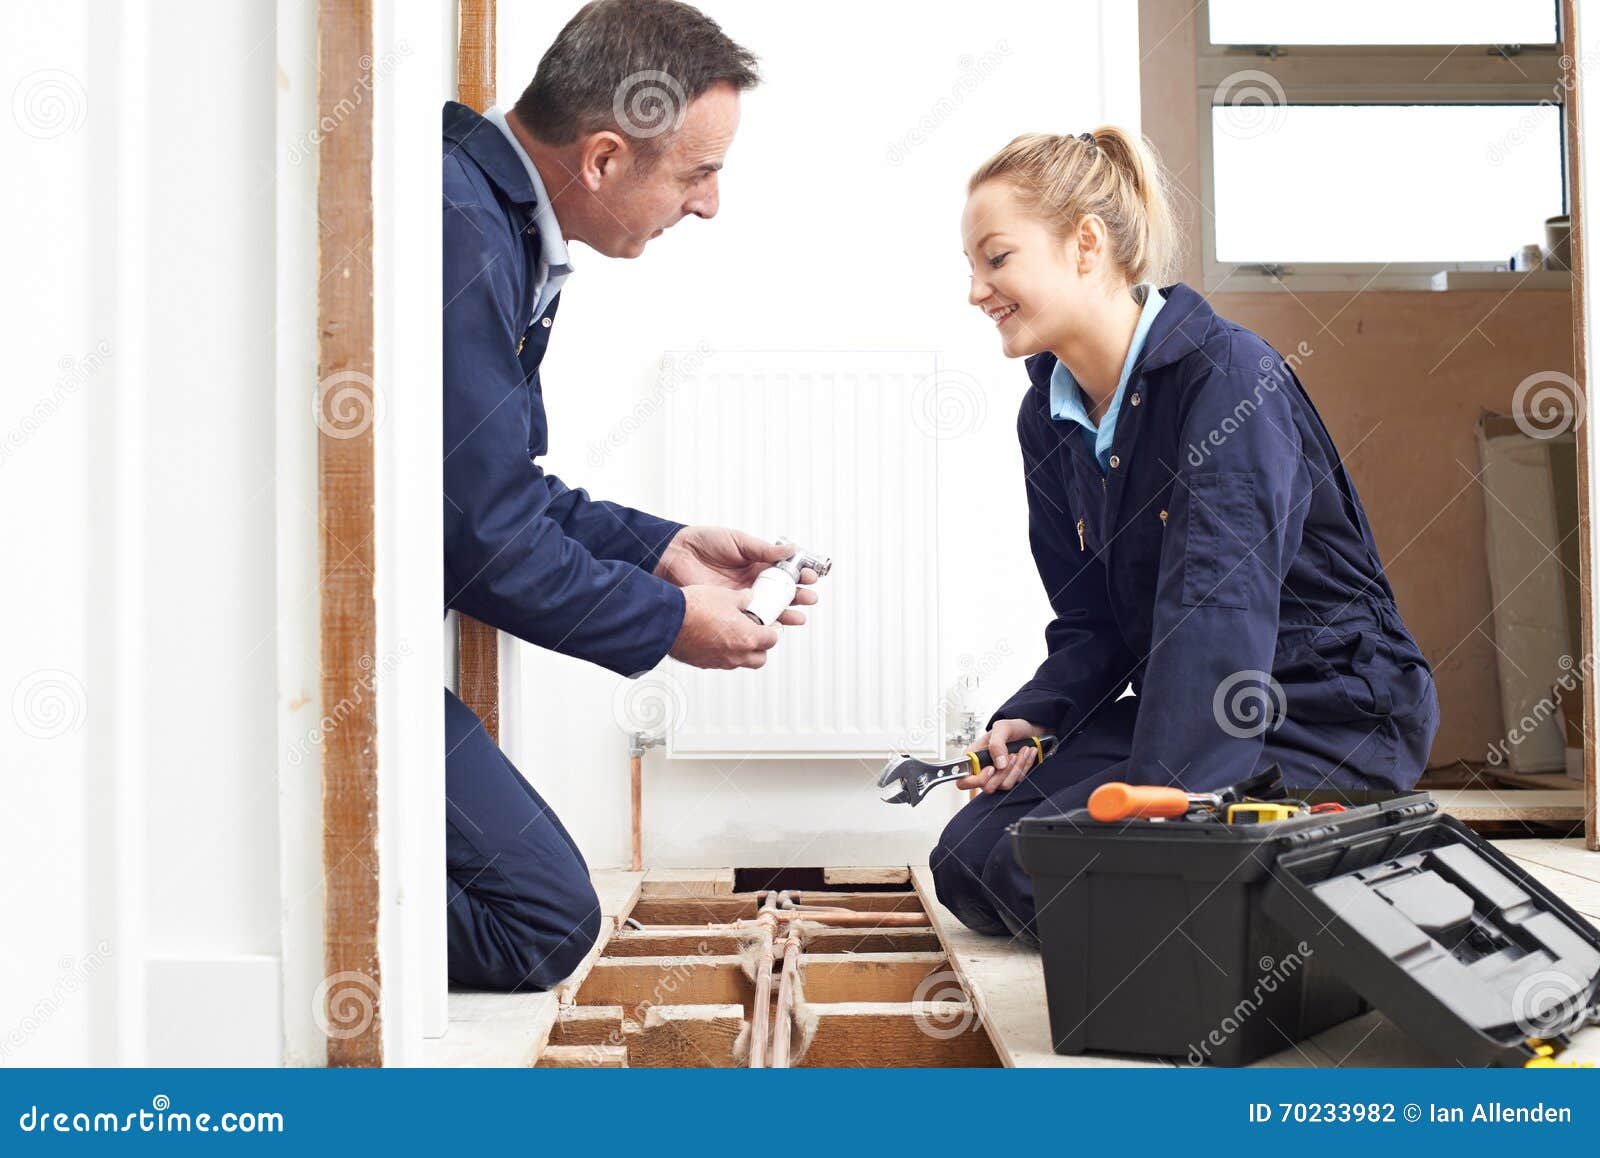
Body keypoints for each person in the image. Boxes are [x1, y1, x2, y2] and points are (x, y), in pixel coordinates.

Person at [933, 127, 1439, 944]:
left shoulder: (1226, 377)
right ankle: (1236, 870)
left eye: (996, 259)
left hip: (1322, 709)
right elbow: (1093, 621)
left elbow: (1218, 615)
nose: (975, 291)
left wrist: (1170, 822)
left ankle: (1282, 863)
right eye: (970, 266)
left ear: (1086, 244)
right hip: (1186, 695)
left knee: (1044, 865)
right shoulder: (1049, 416)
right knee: (969, 857)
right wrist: (1040, 714)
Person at [443, 0, 815, 991]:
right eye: (699, 173)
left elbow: (487, 493)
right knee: (540, 925)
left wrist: (666, 549)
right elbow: (483, 540)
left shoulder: (492, 217)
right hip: (327, 671)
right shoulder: (464, 232)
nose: (708, 206)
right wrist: (668, 622)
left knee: (543, 916)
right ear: (604, 159)